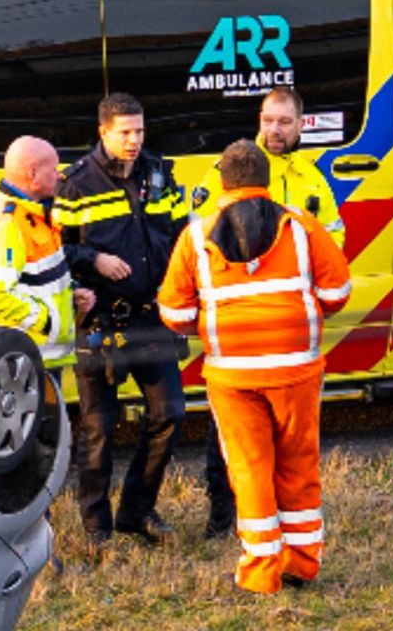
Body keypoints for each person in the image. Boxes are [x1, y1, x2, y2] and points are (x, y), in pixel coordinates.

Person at [158, 140, 351, 594]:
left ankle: (261, 569)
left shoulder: (195, 237)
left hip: (232, 375)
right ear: (266, 179)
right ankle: (302, 563)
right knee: (298, 462)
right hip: (297, 369)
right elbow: (338, 291)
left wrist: (207, 324)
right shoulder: (302, 227)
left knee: (249, 469)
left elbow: (174, 313)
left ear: (223, 180)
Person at [193, 88, 345, 536]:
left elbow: (332, 245)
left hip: (288, 330)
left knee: (288, 436)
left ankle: (279, 514)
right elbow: (197, 244)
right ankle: (222, 512)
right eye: (267, 120)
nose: (274, 131)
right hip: (239, 327)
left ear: (301, 125)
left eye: (283, 122)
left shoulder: (310, 179)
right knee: (230, 431)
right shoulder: (229, 169)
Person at [56, 92, 188, 546]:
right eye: (125, 132)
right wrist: (95, 259)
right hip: (101, 323)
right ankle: (97, 530)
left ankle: (137, 510)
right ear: (103, 132)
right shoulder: (75, 185)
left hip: (151, 317)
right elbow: (56, 250)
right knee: (98, 431)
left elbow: (179, 234)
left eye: (140, 131)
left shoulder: (159, 174)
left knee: (170, 414)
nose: (134, 141)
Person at [0, 135, 93, 374]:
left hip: (36, 359)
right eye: (54, 168)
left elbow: (40, 277)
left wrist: (71, 294)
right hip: (23, 362)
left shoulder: (34, 214)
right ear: (33, 173)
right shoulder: (8, 223)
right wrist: (48, 321)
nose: (60, 175)